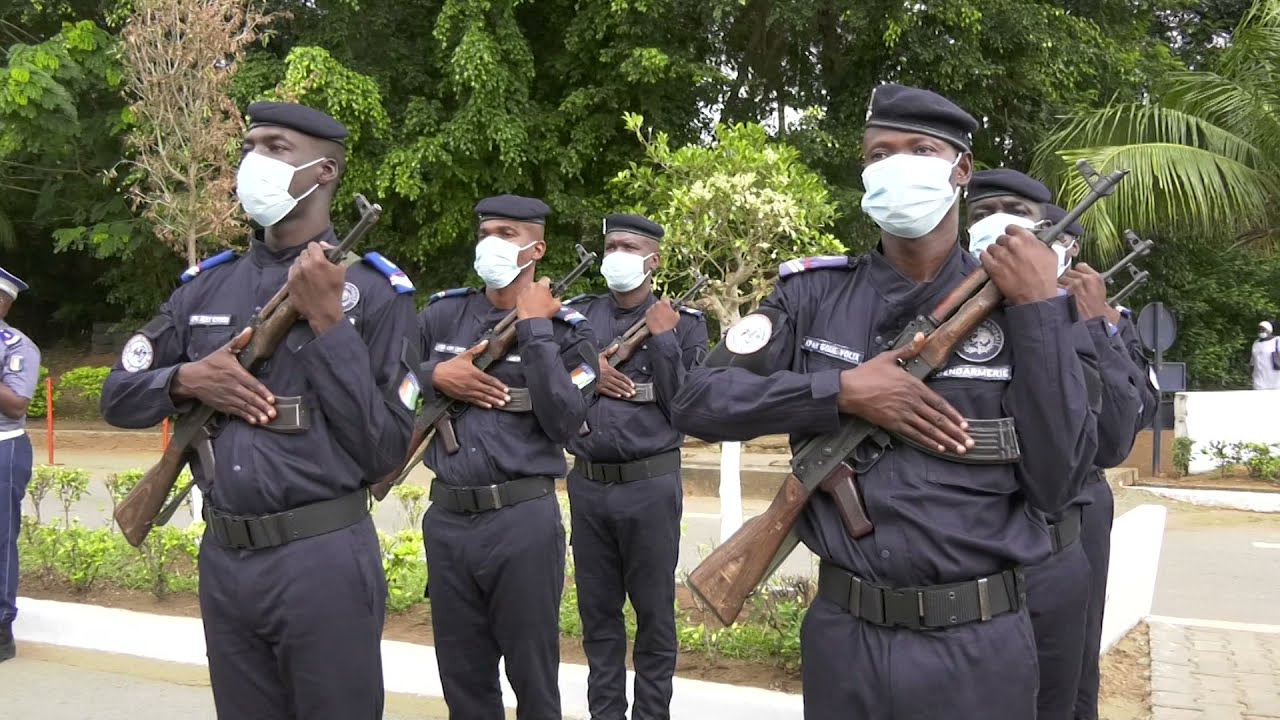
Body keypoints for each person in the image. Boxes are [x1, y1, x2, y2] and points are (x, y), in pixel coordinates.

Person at [671, 83, 1099, 719]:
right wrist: (840, 391)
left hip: (980, 643)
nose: (897, 164)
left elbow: (1060, 482)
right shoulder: (811, 294)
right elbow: (698, 400)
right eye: (880, 153)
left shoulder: (1027, 305)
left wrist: (1039, 306)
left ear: (961, 170)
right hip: (846, 639)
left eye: (920, 149)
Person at [100, 102, 419, 719]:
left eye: (275, 147)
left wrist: (329, 324)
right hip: (226, 562)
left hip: (321, 558)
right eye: (250, 145)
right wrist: (187, 379)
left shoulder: (377, 294)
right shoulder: (204, 285)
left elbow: (384, 452)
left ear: (324, 171)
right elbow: (118, 394)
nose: (253, 161)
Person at [416, 194, 599, 720]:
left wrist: (536, 329)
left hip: (522, 522)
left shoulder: (571, 331)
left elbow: (567, 421)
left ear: (536, 248)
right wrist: (433, 376)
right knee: (463, 680)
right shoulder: (442, 315)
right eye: (486, 232)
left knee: (533, 679)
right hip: (448, 522)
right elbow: (394, 390)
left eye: (507, 234)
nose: (491, 243)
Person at [563, 213, 708, 720]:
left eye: (627, 246)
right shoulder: (578, 319)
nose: (616, 256)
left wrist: (664, 339)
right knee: (598, 619)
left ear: (653, 260)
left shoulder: (685, 322)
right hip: (588, 488)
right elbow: (553, 382)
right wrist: (590, 374)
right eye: (611, 246)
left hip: (650, 487)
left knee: (654, 617)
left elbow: (686, 405)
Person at [1048, 202, 1160, 720]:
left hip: (1079, 502)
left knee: (1072, 664)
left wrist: (1101, 323)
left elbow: (1129, 419)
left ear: (1071, 250)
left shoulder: (1105, 320)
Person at [0, 268, 39, 663]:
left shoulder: (17, 346)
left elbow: (16, 404)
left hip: (4, 447)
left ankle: (1, 627)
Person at [1250, 320, 1280, 390]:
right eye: (1259, 329)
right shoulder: (1256, 343)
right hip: (1259, 380)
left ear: (1269, 330)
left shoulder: (1277, 340)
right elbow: (1253, 361)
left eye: (1263, 329)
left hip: (1275, 378)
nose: (1261, 331)